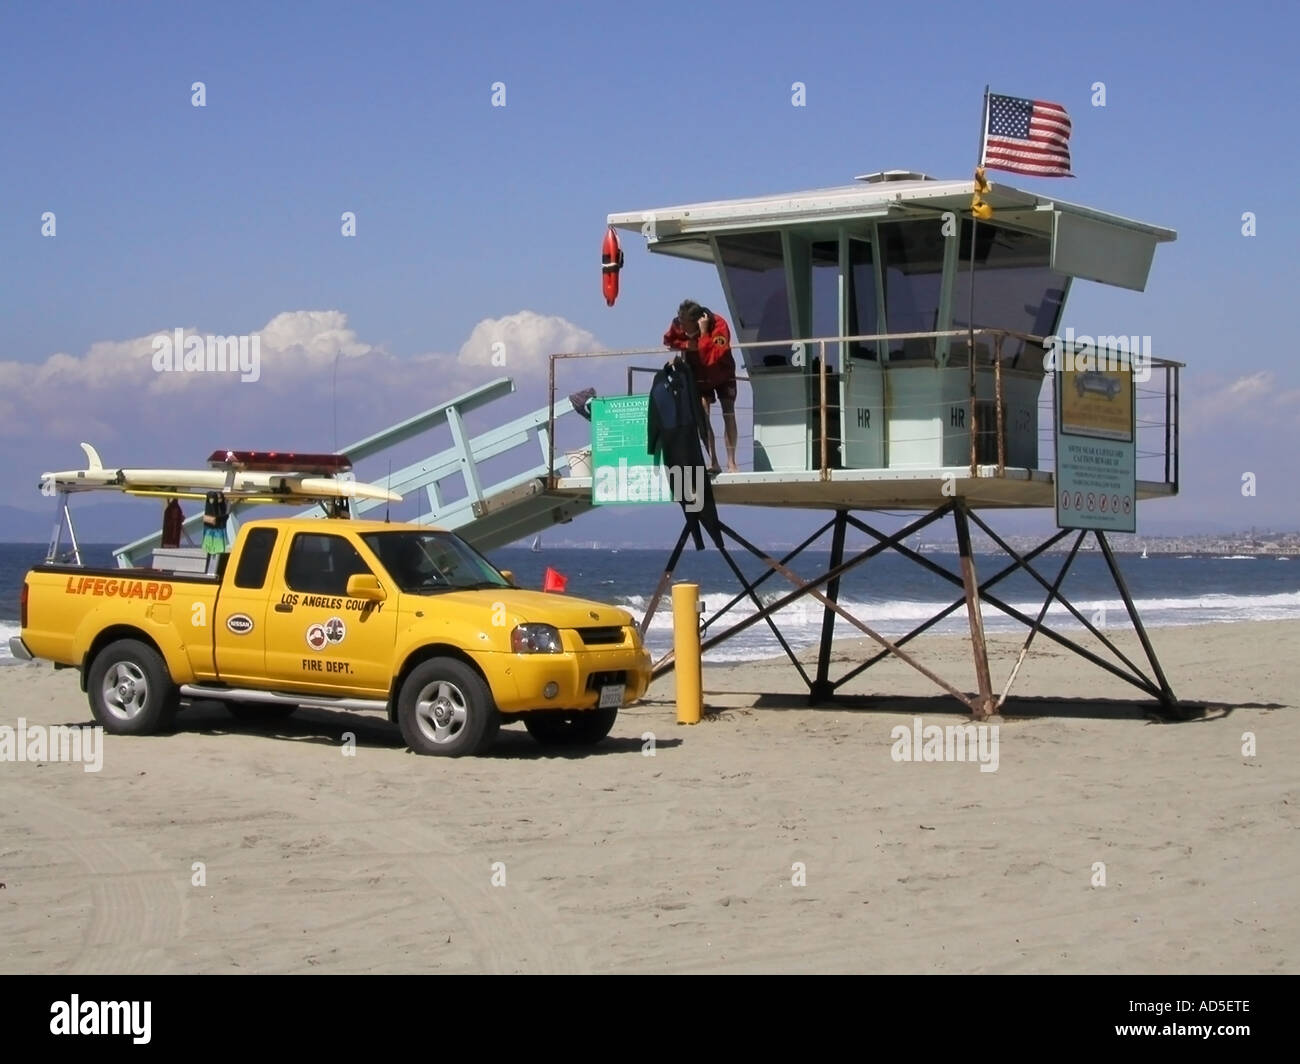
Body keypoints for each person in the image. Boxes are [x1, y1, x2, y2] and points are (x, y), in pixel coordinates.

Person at [663, 299, 739, 473]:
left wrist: (704, 335)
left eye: (684, 323)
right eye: (679, 321)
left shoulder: (718, 324)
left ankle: (732, 462)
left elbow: (713, 357)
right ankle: (714, 461)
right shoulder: (677, 324)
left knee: (728, 413)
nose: (680, 327)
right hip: (698, 375)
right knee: (703, 417)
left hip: (722, 372)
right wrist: (686, 345)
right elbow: (669, 341)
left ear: (697, 321)